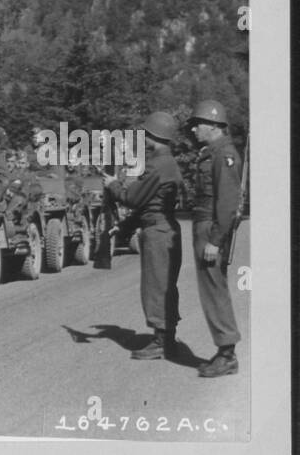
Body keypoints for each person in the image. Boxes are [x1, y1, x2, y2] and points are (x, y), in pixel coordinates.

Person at [102, 111, 183, 360]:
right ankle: (167, 336)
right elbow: (151, 204)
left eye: (146, 133)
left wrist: (113, 184)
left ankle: (161, 342)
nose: (144, 137)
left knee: (156, 287)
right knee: (165, 286)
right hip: (163, 228)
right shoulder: (167, 163)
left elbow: (134, 198)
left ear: (154, 136)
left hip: (157, 233)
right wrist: (125, 226)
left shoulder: (158, 165)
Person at [189, 99, 242, 378]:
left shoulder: (224, 155)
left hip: (211, 228)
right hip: (205, 224)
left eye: (199, 123)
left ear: (213, 125)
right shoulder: (212, 152)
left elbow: (227, 202)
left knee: (214, 289)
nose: (195, 128)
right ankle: (224, 350)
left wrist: (215, 240)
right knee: (210, 289)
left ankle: (227, 354)